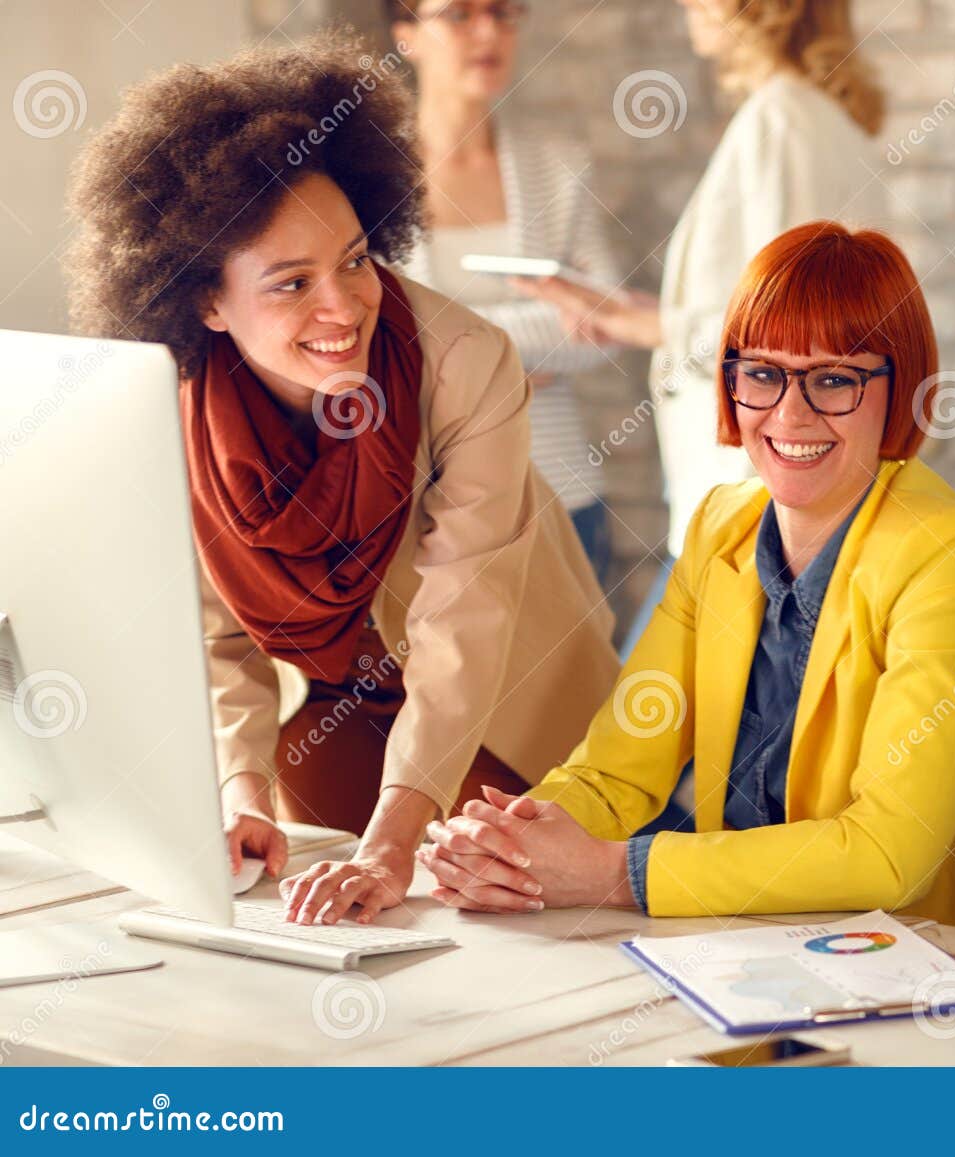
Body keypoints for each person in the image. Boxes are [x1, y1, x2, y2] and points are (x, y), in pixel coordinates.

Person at [65, 33, 619, 926]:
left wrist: (397, 838)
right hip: (323, 703)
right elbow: (215, 633)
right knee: (308, 932)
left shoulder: (467, 361)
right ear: (207, 301)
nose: (343, 306)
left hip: (498, 698)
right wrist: (240, 788)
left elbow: (462, 622)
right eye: (291, 284)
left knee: (501, 928)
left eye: (356, 259)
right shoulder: (173, 402)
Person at [416, 222, 955, 927]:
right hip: (748, 943)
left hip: (930, 962)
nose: (789, 413)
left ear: (899, 387)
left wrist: (615, 872)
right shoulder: (723, 524)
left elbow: (888, 853)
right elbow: (618, 766)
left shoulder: (948, 553)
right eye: (763, 374)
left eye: (834, 379)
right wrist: (517, 843)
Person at [523, 0, 888, 656]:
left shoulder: (779, 118)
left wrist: (647, 325)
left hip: (747, 506)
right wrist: (646, 315)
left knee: (637, 729)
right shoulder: (814, 117)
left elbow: (787, 330)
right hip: (763, 502)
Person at [388, 0, 624, 584]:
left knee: (582, 673)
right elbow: (380, 341)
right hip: (428, 501)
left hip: (561, 487)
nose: (488, 30)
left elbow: (610, 322)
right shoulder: (372, 180)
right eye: (459, 15)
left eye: (501, 10)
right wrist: (528, 341)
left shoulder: (558, 168)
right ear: (406, 35)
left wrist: (451, 351)